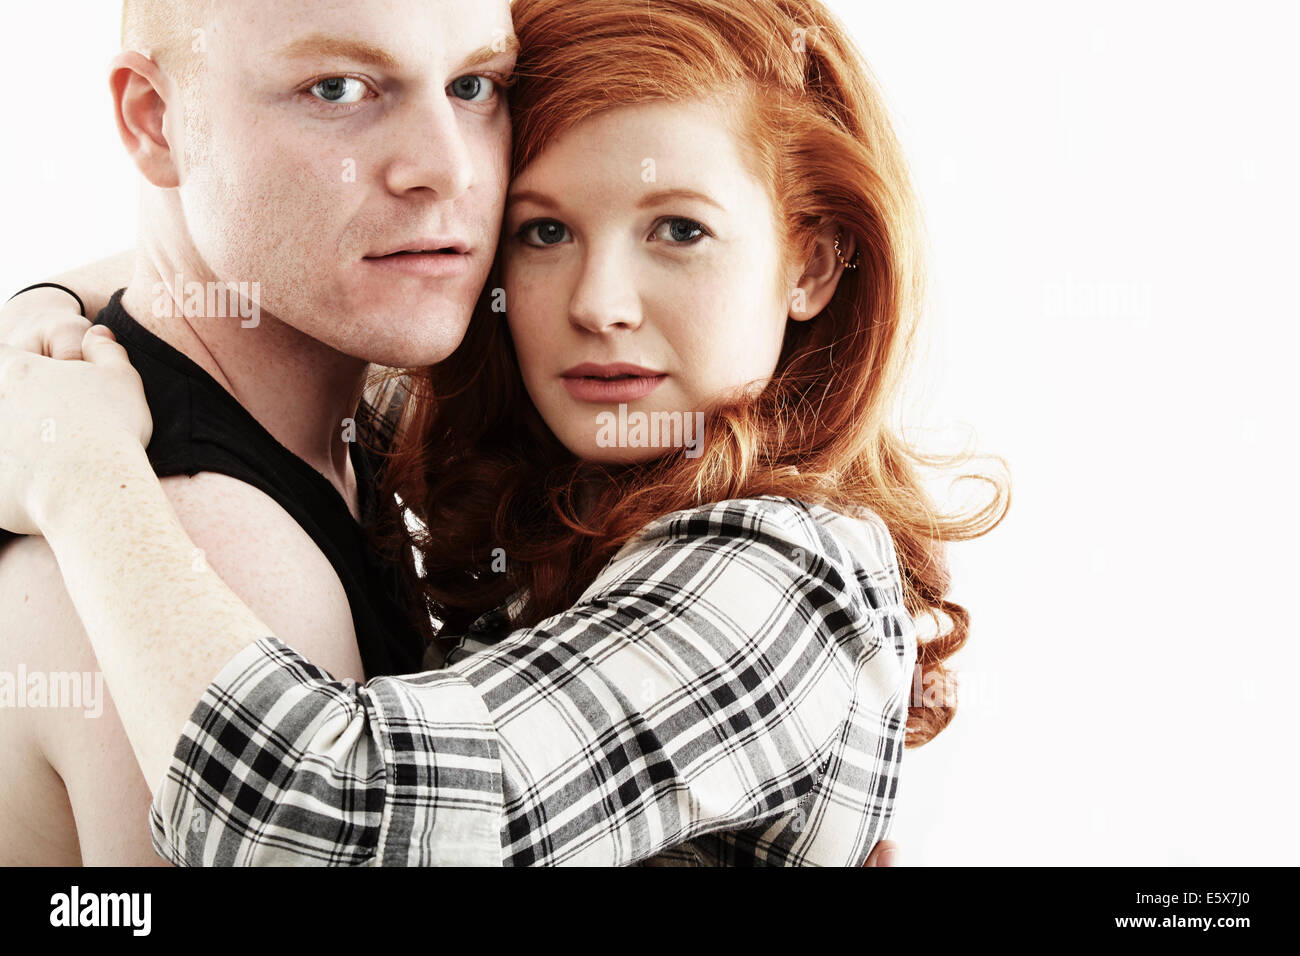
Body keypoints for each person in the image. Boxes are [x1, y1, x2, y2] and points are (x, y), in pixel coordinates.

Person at [0, 0, 1008, 865]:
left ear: (812, 264)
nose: (600, 303)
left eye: (679, 229)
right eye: (544, 231)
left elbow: (324, 828)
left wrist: (86, 482)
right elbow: (253, 271)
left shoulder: (781, 565)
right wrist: (40, 316)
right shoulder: (524, 453)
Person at [0, 0, 518, 865]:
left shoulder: (322, 411)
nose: (449, 169)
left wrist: (39, 300)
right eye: (338, 88)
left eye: (474, 84)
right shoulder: (208, 557)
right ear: (154, 121)